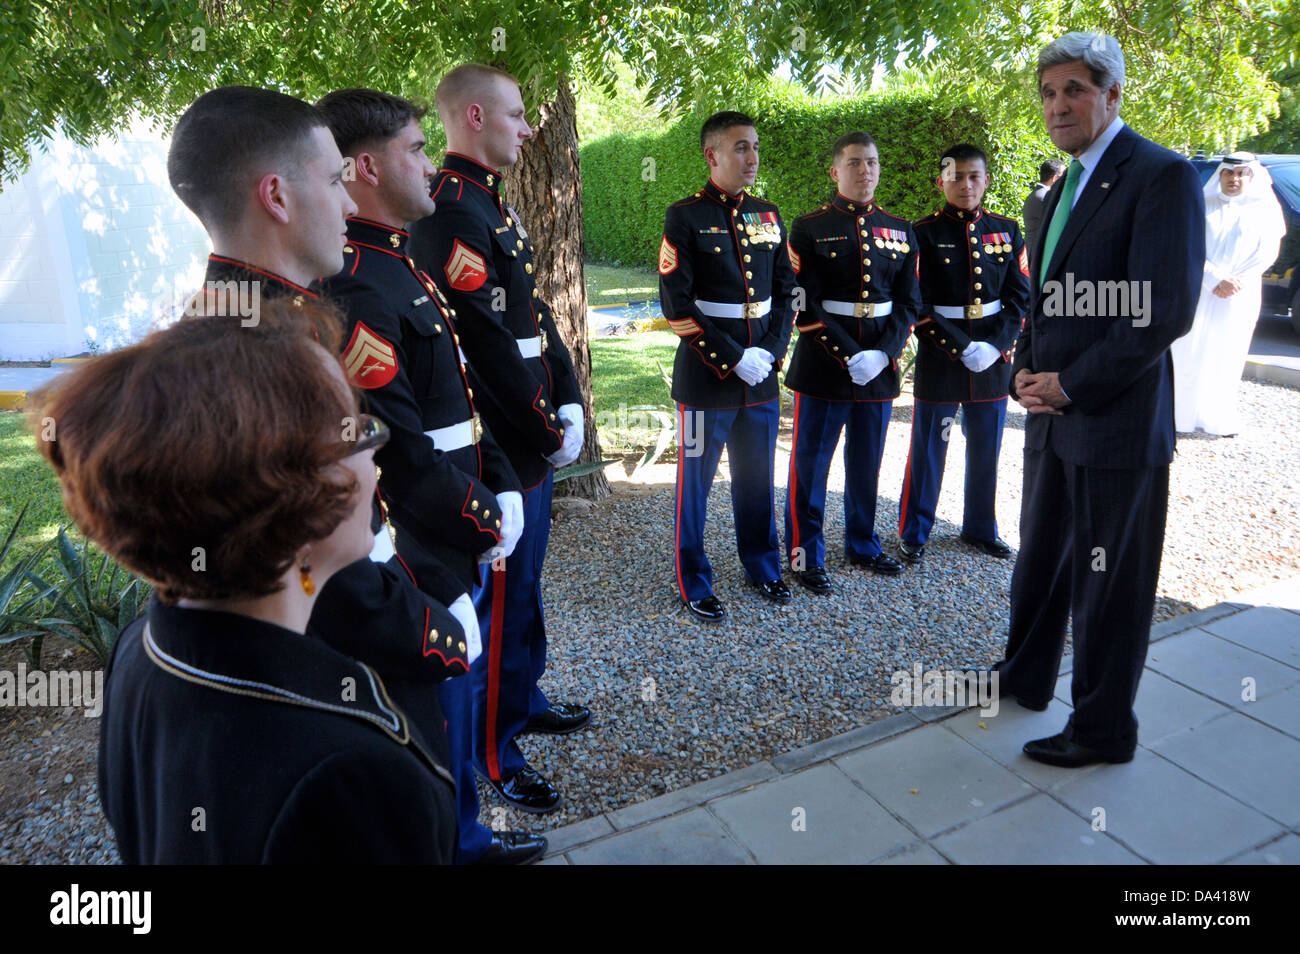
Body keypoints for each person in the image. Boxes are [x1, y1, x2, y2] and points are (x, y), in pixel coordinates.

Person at [33, 301, 458, 863]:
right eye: (355, 428)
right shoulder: (353, 776)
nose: (377, 444)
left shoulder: (139, 651)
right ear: (295, 500)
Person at [165, 86, 480, 835]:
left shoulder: (252, 320)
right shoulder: (268, 354)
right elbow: (308, 568)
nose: (348, 205)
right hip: (333, 681)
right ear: (275, 195)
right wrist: (430, 624)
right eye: (336, 181)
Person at [315, 86, 545, 865]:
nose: (429, 164)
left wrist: (504, 480)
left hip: (458, 506)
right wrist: (483, 519)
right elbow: (399, 451)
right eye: (416, 149)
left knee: (455, 697)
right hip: (423, 536)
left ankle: (466, 833)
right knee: (436, 710)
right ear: (368, 166)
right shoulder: (353, 285)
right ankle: (456, 844)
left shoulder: (399, 263)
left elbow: (467, 396)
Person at [997, 32, 1205, 767]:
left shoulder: (1160, 176)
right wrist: (1025, 370)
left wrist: (1073, 383)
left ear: (1112, 95)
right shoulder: (1056, 188)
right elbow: (1043, 299)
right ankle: (1023, 677)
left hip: (1114, 420)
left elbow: (1162, 309)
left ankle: (1103, 730)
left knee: (1107, 582)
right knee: (1042, 558)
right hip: (1051, 417)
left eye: (1075, 91)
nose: (1058, 106)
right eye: (1049, 93)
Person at [408, 64, 591, 816]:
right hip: (506, 442)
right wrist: (547, 431)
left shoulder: (490, 205)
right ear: (476, 117)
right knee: (501, 604)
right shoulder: (452, 209)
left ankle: (522, 696)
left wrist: (572, 400)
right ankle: (495, 750)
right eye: (517, 117)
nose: (528, 129)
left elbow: (534, 319)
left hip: (533, 430)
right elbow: (480, 348)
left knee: (527, 595)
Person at [656, 110, 798, 621]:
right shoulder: (685, 216)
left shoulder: (769, 213)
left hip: (760, 373)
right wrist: (732, 358)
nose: (753, 157)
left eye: (755, 146)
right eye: (740, 147)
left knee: (758, 476)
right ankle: (693, 579)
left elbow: (787, 292)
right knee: (695, 483)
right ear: (711, 155)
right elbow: (677, 305)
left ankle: (763, 566)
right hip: (705, 376)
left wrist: (770, 354)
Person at [782, 131, 920, 592]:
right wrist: (849, 354)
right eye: (856, 162)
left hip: (879, 367)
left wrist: (882, 353)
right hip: (824, 364)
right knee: (811, 466)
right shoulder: (809, 227)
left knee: (867, 463)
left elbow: (908, 301)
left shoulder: (901, 229)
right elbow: (803, 300)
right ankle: (805, 556)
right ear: (835, 171)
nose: (866, 171)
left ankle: (863, 543)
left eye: (873, 162)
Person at [898, 144, 1030, 564]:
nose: (965, 185)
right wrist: (961, 346)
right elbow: (916, 302)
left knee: (987, 447)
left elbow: (1019, 297)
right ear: (941, 182)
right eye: (956, 177)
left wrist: (994, 346)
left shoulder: (1008, 230)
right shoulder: (921, 233)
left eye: (974, 176)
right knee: (930, 446)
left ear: (986, 180)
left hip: (992, 360)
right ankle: (915, 531)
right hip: (942, 357)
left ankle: (979, 528)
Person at [1171, 152, 1286, 436]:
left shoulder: (1265, 212)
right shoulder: (1200, 205)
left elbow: (1267, 254)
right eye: (1228, 174)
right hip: (1198, 290)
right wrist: (1214, 278)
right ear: (1220, 175)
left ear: (1251, 177)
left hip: (1240, 294)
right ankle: (1179, 416)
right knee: (1187, 350)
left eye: (1241, 174)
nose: (1234, 180)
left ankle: (1216, 418)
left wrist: (1235, 281)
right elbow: (1185, 246)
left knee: (1226, 353)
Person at [1023, 158, 1067, 276]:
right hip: (1038, 256)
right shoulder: (1043, 197)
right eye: (1063, 177)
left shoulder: (1038, 194)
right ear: (1055, 178)